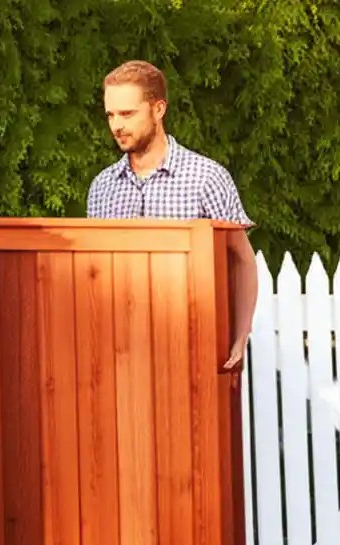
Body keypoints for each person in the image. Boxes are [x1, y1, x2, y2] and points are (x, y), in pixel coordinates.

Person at [87, 60, 258, 374]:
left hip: (193, 353)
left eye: (127, 113)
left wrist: (240, 335)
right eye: (110, 114)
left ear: (158, 109)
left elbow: (242, 259)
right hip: (119, 358)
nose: (116, 125)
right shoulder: (102, 188)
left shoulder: (206, 177)